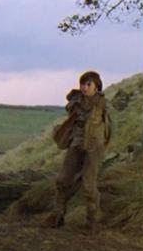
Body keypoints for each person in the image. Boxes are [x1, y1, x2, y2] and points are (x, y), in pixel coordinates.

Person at [44, 71, 113, 232]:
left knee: (89, 184)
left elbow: (110, 129)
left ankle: (92, 221)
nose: (84, 87)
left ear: (97, 86)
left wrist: (103, 145)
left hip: (94, 147)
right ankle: (57, 216)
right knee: (62, 180)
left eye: (88, 84)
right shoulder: (76, 102)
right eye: (82, 84)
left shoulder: (102, 104)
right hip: (76, 144)